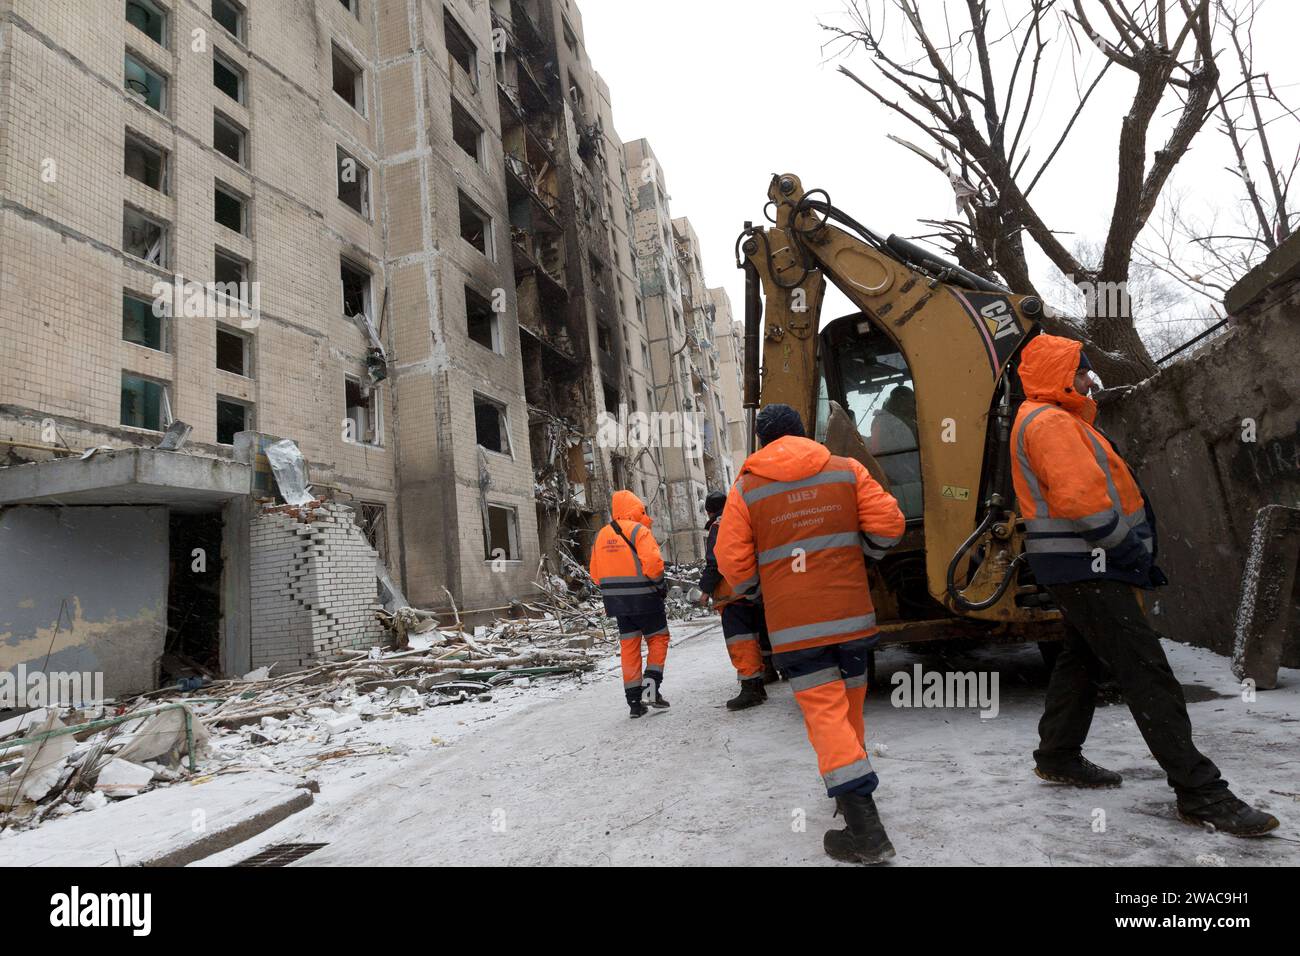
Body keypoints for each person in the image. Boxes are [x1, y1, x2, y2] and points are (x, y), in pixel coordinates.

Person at [1012, 333, 1279, 836]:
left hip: (1078, 566)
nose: (1090, 378)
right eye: (1082, 370)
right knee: (1146, 671)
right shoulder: (1049, 422)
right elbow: (1082, 501)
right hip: (1089, 564)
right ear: (1061, 374)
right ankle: (1201, 793)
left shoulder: (1054, 418)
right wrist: (1126, 549)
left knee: (1083, 657)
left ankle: (1058, 754)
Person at [716, 404, 906, 863]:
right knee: (848, 710)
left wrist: (765, 588)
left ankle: (866, 830)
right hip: (851, 617)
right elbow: (889, 525)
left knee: (825, 717)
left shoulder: (746, 489)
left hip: (797, 627)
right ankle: (851, 796)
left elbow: (732, 564)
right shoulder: (846, 469)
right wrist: (861, 552)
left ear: (762, 441)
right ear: (804, 432)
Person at [588, 490, 671, 719]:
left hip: (617, 603)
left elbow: (595, 575)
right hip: (645, 599)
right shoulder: (639, 531)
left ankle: (635, 703)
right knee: (658, 639)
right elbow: (653, 564)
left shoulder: (601, 535)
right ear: (636, 509)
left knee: (629, 647)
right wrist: (659, 585)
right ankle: (650, 689)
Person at [699, 490, 775, 710]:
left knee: (740, 639)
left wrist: (704, 590)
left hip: (731, 592)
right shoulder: (744, 517)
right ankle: (762, 678)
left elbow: (716, 561)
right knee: (758, 634)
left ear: (709, 511)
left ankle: (751, 686)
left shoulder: (717, 526)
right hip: (754, 587)